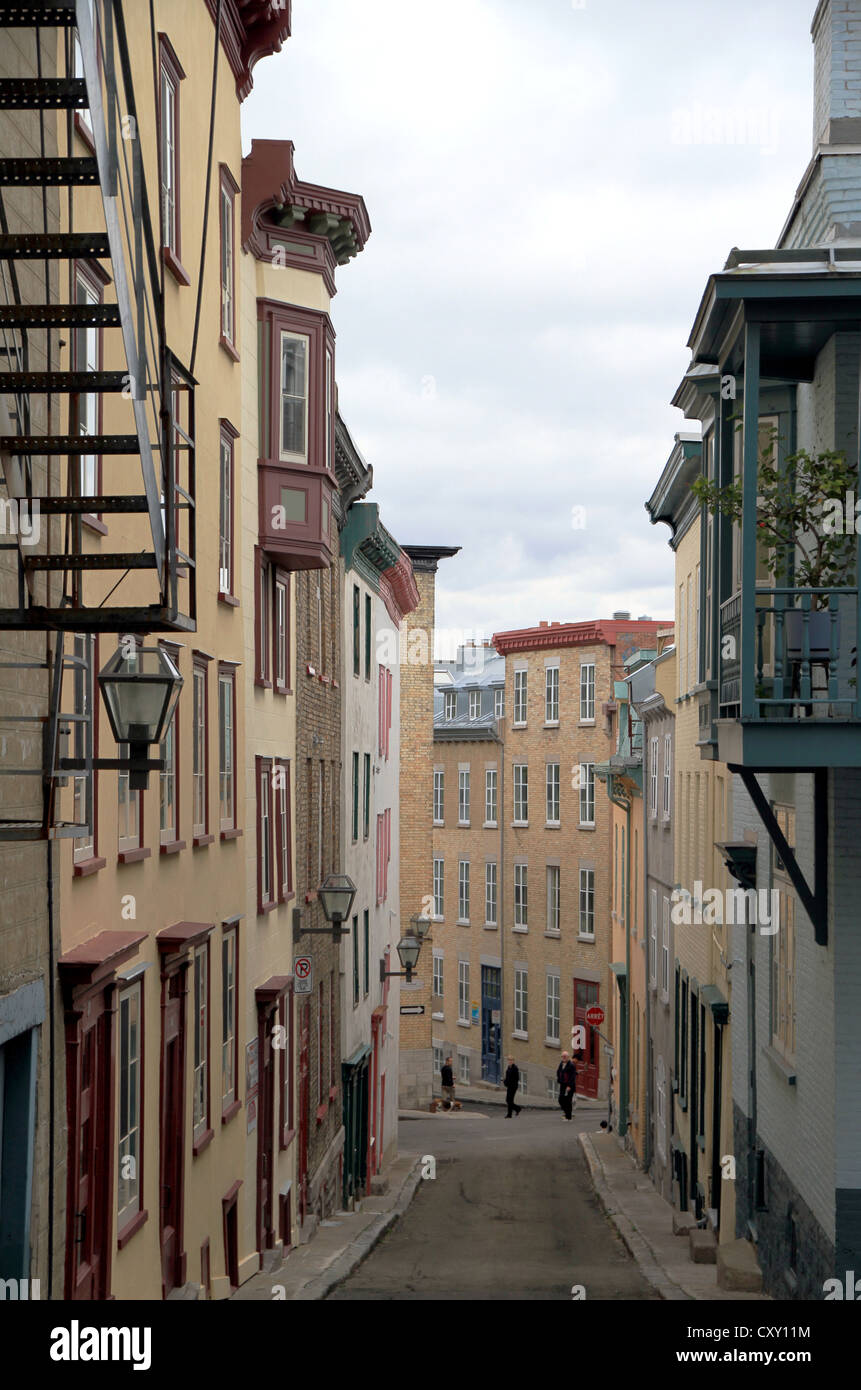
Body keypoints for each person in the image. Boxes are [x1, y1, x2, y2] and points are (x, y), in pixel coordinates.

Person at [556, 1051, 577, 1121]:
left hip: (569, 1086)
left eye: (565, 1056)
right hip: (563, 1084)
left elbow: (572, 1077)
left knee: (568, 1101)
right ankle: (567, 1113)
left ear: (568, 1057)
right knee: (560, 1100)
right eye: (562, 1056)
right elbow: (558, 1071)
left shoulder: (571, 1065)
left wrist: (569, 1086)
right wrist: (559, 1079)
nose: (563, 1058)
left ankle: (568, 1117)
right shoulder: (561, 1063)